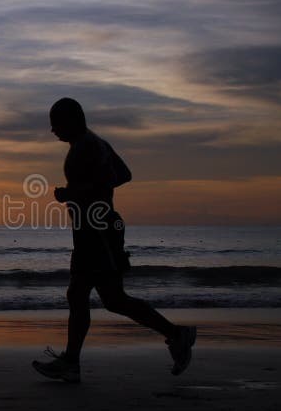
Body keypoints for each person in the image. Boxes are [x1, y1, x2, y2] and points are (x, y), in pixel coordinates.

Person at [32, 97, 196, 383]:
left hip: (97, 231)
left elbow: (106, 182)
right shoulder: (96, 143)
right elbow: (123, 174)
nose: (53, 130)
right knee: (98, 297)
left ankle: (74, 361)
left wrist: (70, 194)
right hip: (96, 230)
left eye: (56, 123)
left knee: (95, 296)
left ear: (73, 120)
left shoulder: (86, 147)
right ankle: (174, 334)